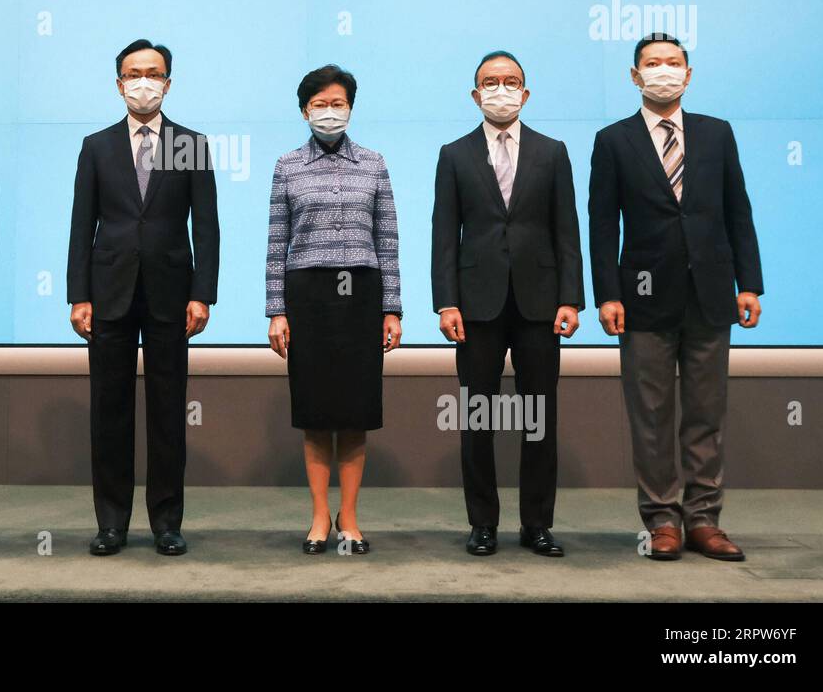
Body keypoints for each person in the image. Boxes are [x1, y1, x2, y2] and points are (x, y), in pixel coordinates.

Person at [589, 33, 763, 561]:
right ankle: (662, 518)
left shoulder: (717, 134)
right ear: (634, 75)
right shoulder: (613, 139)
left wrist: (749, 282)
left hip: (711, 294)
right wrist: (608, 294)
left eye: (672, 63)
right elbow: (602, 224)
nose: (663, 70)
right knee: (651, 413)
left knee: (706, 412)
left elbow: (738, 210)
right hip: (643, 299)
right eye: (651, 63)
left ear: (688, 75)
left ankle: (704, 518)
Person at [67, 39, 219, 556]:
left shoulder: (190, 143)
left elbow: (208, 227)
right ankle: (111, 522)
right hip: (107, 293)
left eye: (153, 73)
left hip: (171, 296)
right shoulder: (97, 145)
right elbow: (80, 225)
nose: (143, 82)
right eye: (134, 74)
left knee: (168, 411)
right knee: (108, 411)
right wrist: (78, 294)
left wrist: (203, 294)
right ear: (118, 84)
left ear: (169, 83)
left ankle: (166, 523)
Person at [431, 51, 583, 557]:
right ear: (475, 95)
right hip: (476, 305)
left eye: (510, 81)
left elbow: (568, 231)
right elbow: (443, 235)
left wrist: (571, 298)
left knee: (540, 415)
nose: (501, 89)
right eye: (490, 83)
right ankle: (483, 524)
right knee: (478, 416)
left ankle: (537, 523)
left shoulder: (553, 151)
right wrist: (445, 303)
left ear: (526, 92)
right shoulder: (453, 154)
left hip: (541, 304)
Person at [266, 64, 401, 555]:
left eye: (337, 102)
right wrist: (276, 311)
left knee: (356, 413)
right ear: (305, 110)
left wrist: (393, 309)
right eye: (319, 104)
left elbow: (387, 241)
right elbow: (276, 242)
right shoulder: (286, 165)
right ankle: (320, 516)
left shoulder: (374, 163)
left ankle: (351, 517)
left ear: (351, 107)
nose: (329, 111)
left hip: (361, 295)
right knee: (318, 414)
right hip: (309, 297)